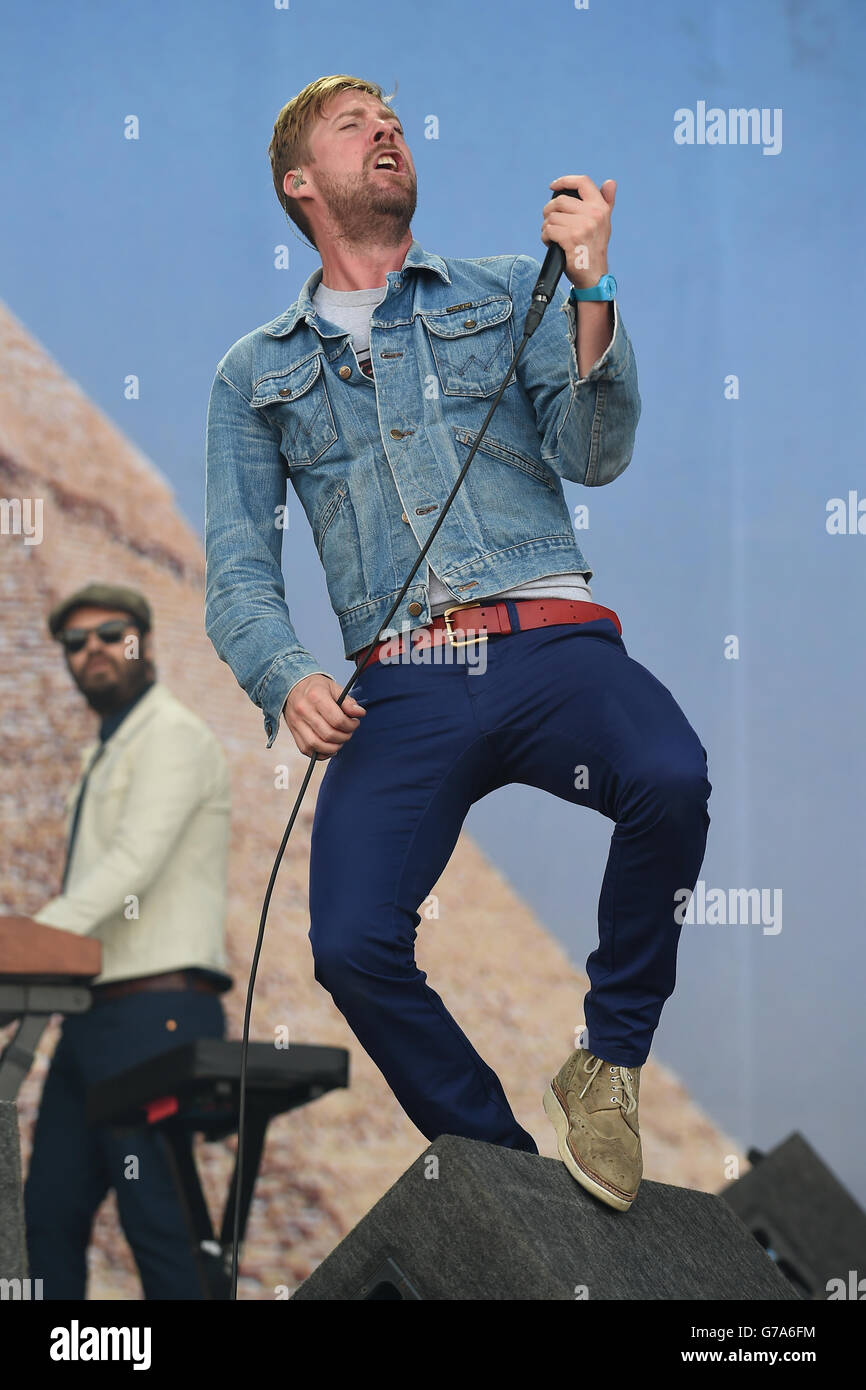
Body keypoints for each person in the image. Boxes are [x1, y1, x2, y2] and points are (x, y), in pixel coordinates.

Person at [204, 75, 711, 1212]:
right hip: (401, 683)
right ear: (300, 181)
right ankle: (506, 1176)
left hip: (548, 636)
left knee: (670, 775)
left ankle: (609, 1061)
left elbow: (592, 451)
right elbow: (236, 570)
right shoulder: (253, 374)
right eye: (353, 123)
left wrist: (593, 284)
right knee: (347, 944)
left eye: (392, 116)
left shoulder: (500, 290)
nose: (386, 127)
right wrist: (285, 676)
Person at [25, 581, 233, 1296]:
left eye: (111, 633)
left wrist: (26, 940)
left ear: (143, 641)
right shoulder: (105, 751)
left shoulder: (172, 734)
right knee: (46, 1216)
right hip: (93, 1019)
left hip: (155, 1015)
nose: (93, 652)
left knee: (160, 1224)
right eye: (75, 644)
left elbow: (131, 864)